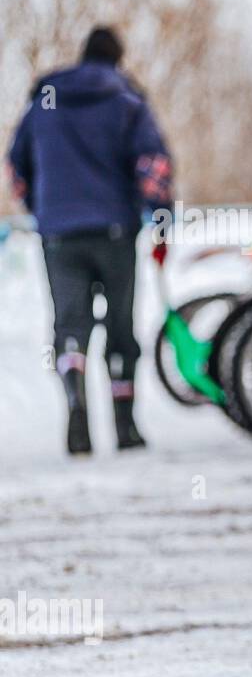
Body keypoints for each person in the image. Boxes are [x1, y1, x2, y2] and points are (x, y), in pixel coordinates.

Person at [7, 26, 173, 455]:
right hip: (115, 231)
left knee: (71, 325)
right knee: (120, 326)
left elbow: (15, 167)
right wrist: (161, 215)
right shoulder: (126, 100)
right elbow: (153, 165)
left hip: (59, 233)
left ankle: (76, 410)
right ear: (117, 58)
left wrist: (42, 209)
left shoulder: (45, 102)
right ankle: (125, 426)